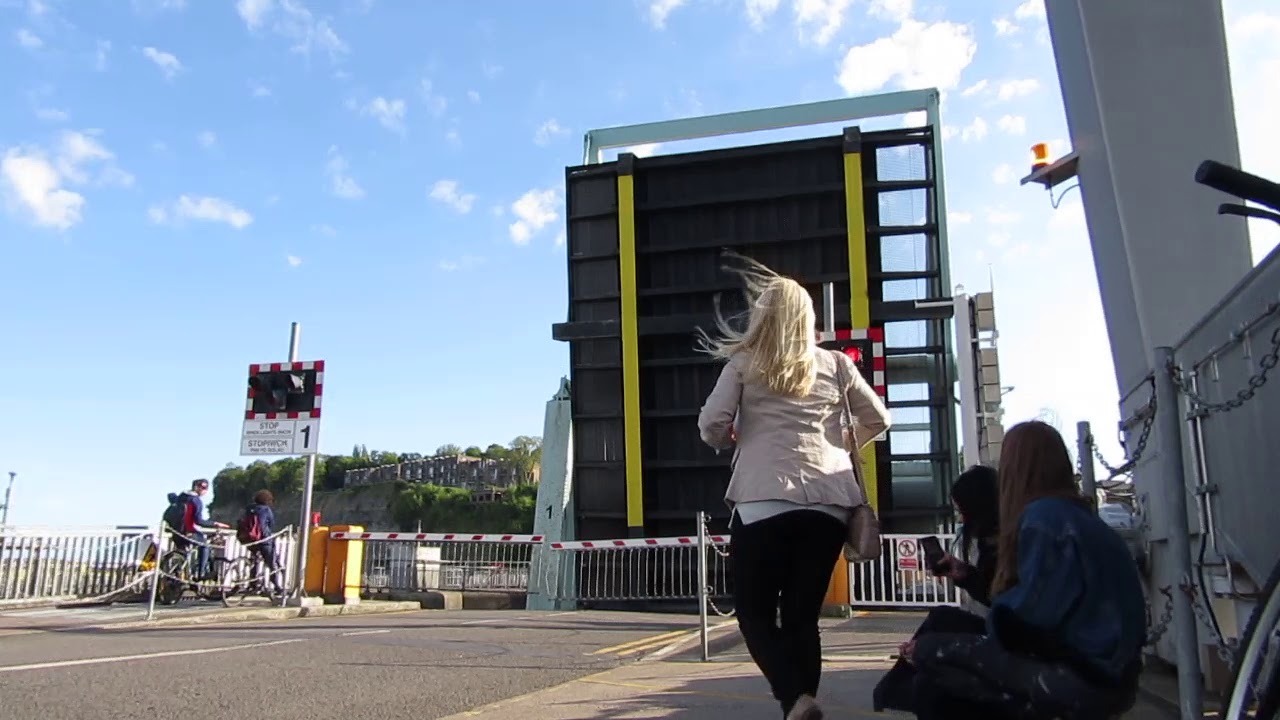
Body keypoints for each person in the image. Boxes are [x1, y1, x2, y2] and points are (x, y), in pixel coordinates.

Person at [696, 255, 891, 720]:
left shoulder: (744, 363)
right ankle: (802, 705)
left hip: (762, 500)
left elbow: (711, 423)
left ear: (764, 317)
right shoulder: (837, 364)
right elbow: (878, 419)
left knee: (755, 614)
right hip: (828, 504)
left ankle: (795, 700)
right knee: (803, 617)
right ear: (808, 319)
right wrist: (845, 445)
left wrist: (733, 441)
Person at [906, 421, 1147, 720]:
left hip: (1082, 675)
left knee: (930, 659)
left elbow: (1025, 620)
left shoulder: (1043, 519)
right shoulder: (1081, 518)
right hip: (1113, 672)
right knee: (940, 645)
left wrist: (942, 645)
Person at [872, 465, 1000, 713]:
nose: (961, 519)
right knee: (940, 618)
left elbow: (999, 598)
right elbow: (993, 590)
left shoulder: (1005, 542)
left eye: (962, 511)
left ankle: (896, 682)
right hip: (1000, 629)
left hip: (1009, 637)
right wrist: (963, 573)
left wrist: (968, 577)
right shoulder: (993, 539)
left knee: (928, 680)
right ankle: (897, 680)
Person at [164, 479, 228, 581]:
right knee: (205, 546)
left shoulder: (181, 497)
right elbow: (199, 521)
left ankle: (175, 575)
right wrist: (215, 524)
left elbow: (171, 497)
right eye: (204, 488)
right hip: (188, 531)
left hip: (175, 531)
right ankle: (200, 573)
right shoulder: (196, 501)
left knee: (182, 553)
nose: (204, 491)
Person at [242, 489, 284, 595]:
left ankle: (253, 584)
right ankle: (276, 586)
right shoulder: (266, 510)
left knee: (254, 560)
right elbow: (271, 524)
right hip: (264, 540)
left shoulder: (249, 508)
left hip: (250, 539)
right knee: (271, 563)